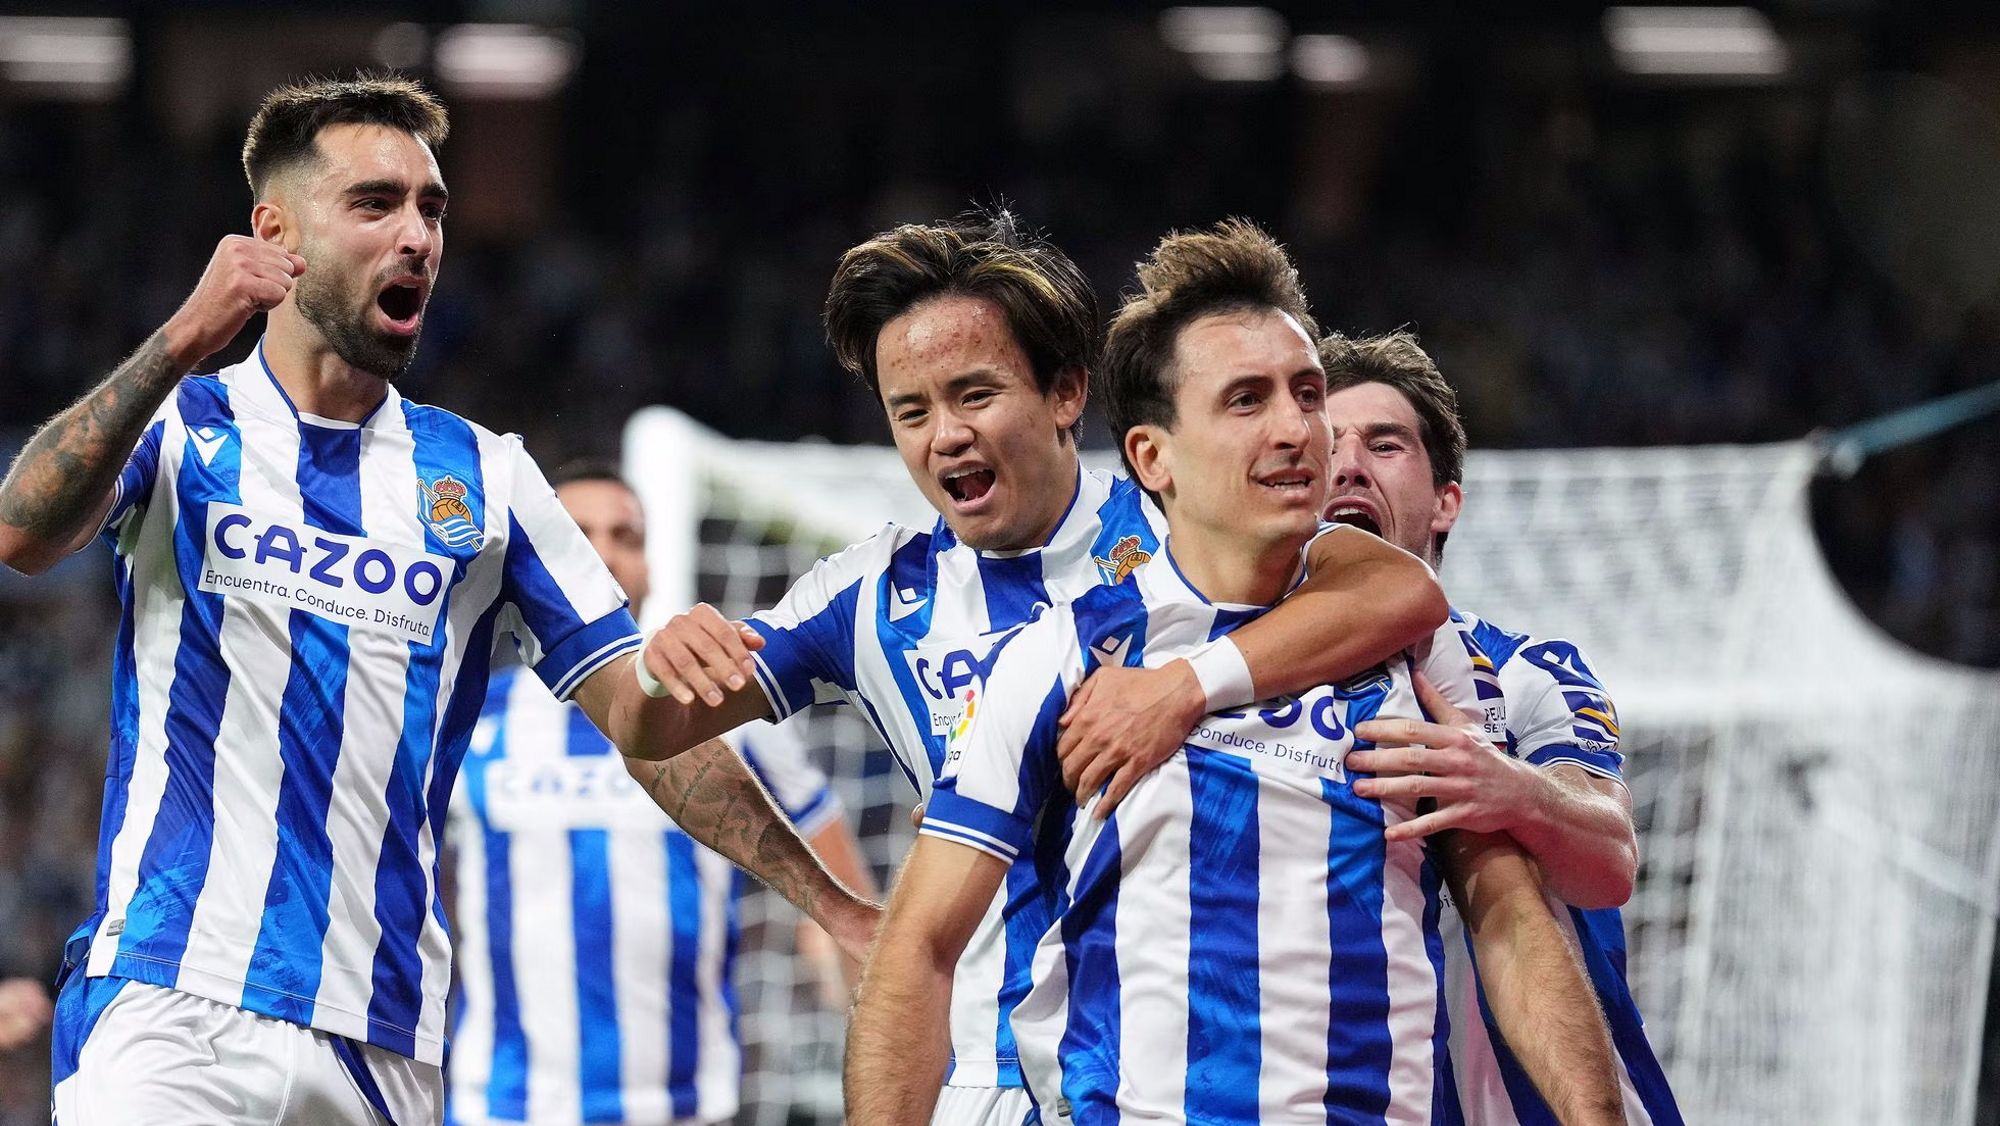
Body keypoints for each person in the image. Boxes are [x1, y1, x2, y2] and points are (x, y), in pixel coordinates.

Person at [0, 75, 870, 1125]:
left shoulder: (487, 478)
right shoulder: (183, 423)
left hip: (383, 1036)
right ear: (274, 234)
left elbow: (646, 727)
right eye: (376, 204)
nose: (417, 235)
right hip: (170, 1001)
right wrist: (181, 339)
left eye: (432, 208)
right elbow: (22, 529)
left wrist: (832, 903)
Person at [628, 210, 1450, 1124]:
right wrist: (825, 898)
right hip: (979, 1076)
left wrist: (1182, 688)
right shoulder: (868, 596)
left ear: (1066, 394)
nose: (945, 436)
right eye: (912, 411)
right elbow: (652, 734)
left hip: (1173, 1073)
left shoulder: (1180, 518)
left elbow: (1396, 592)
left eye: (974, 395)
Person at [846, 220, 1626, 1124]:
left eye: (1306, 393)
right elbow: (919, 950)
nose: (1300, 430)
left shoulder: (1412, 646)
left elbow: (1507, 918)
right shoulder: (1062, 659)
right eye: (1247, 401)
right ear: (1153, 457)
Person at [445, 461, 878, 1126]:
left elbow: (844, 914)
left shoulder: (724, 715)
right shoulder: (469, 714)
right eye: (578, 535)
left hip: (686, 1111)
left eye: (627, 536)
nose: (606, 555)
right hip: (499, 1110)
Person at [1320, 331, 1680, 1125]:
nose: (1347, 465)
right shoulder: (1251, 683)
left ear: (1446, 500)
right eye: (1326, 444)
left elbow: (1609, 860)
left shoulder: (1528, 673)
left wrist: (1510, 789)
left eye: (1385, 444)